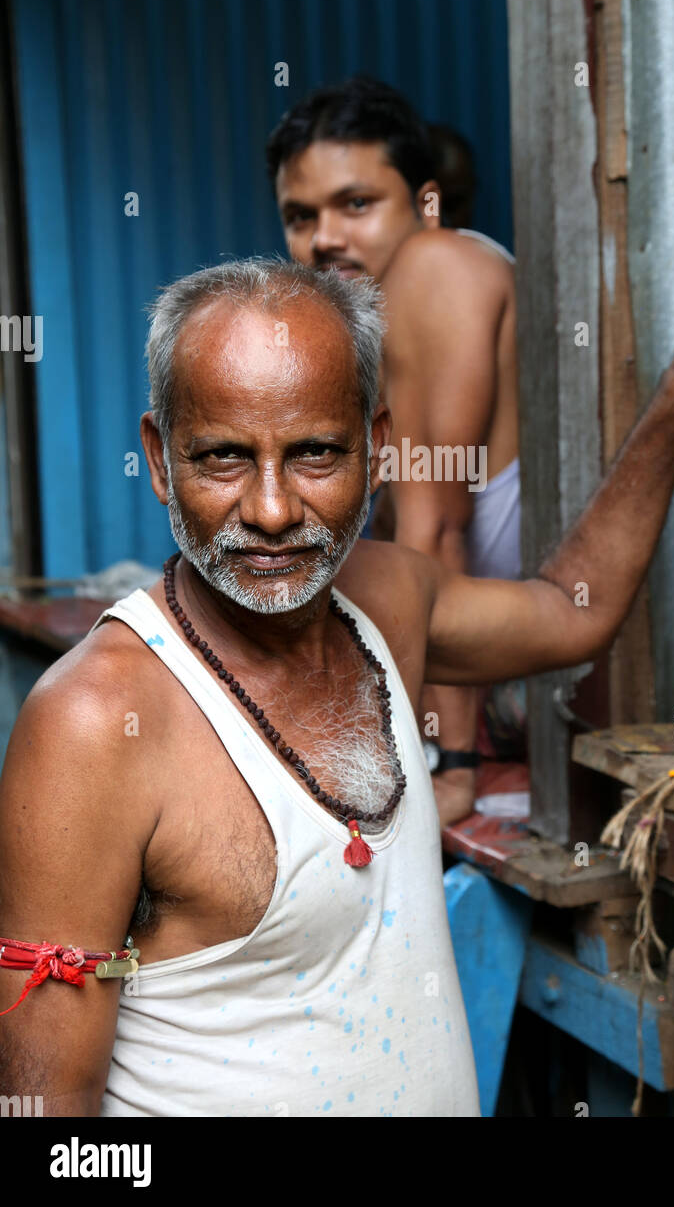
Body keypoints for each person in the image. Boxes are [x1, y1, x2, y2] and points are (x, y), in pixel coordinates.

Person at [0, 158, 674, 1115]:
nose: (270, 510)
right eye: (223, 457)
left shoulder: (384, 603)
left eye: (315, 454)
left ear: (379, 448)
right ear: (157, 460)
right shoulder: (96, 723)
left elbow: (576, 606)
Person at [266, 77, 520, 826]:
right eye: (299, 216)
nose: (324, 239)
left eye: (356, 204)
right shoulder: (368, 332)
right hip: (500, 692)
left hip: (520, 696)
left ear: (428, 204)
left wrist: (442, 764)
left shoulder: (437, 267)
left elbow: (433, 539)